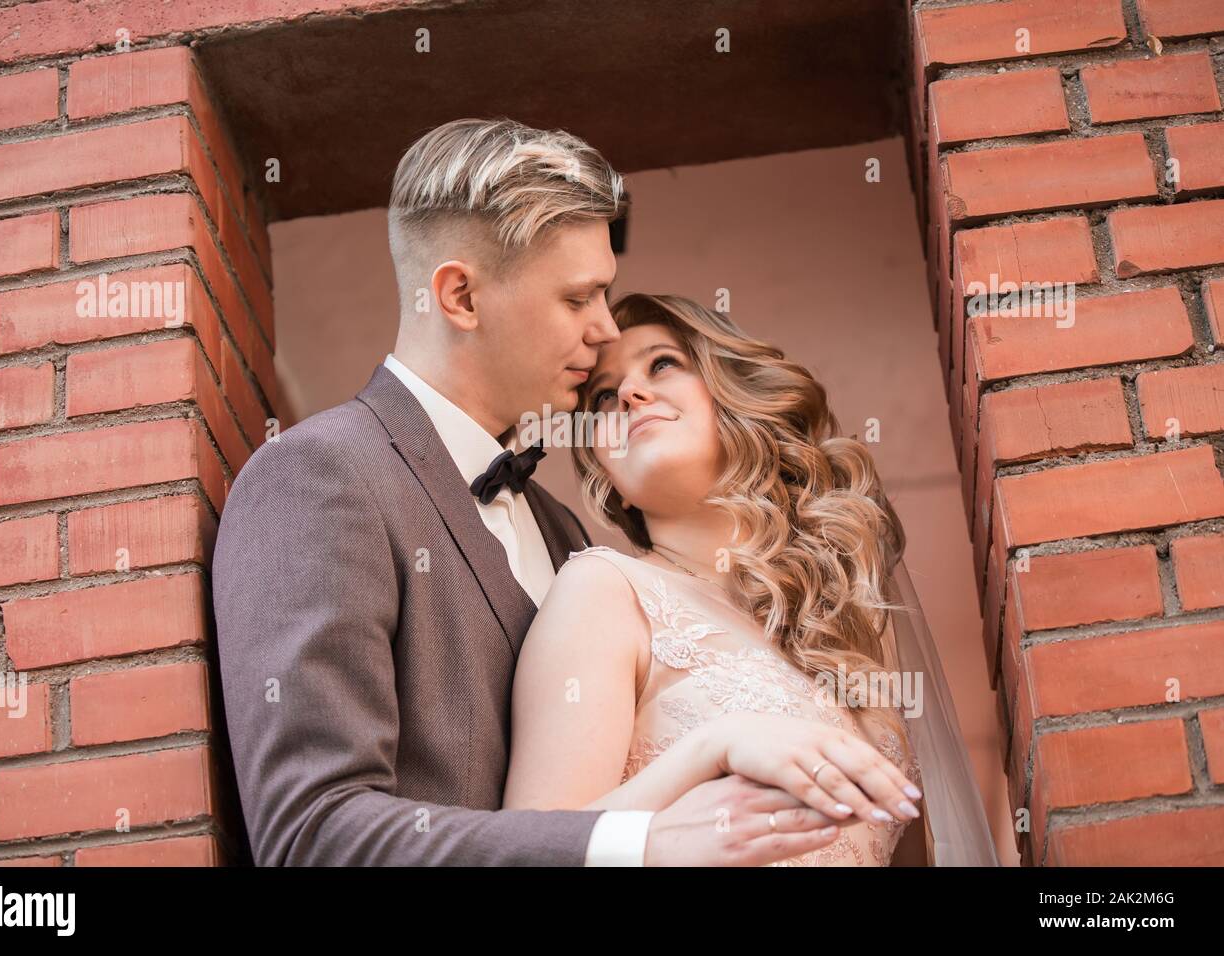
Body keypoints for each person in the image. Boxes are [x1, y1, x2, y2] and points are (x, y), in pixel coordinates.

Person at [211, 117, 919, 866]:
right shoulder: (321, 475)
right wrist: (643, 836)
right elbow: (313, 839)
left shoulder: (564, 534)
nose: (604, 326)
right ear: (460, 297)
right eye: (578, 298)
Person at [503, 293, 1001, 867]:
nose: (630, 395)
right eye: (602, 397)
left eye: (661, 364)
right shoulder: (604, 591)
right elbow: (531, 856)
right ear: (608, 475)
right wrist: (713, 747)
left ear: (733, 398)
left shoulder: (847, 624)